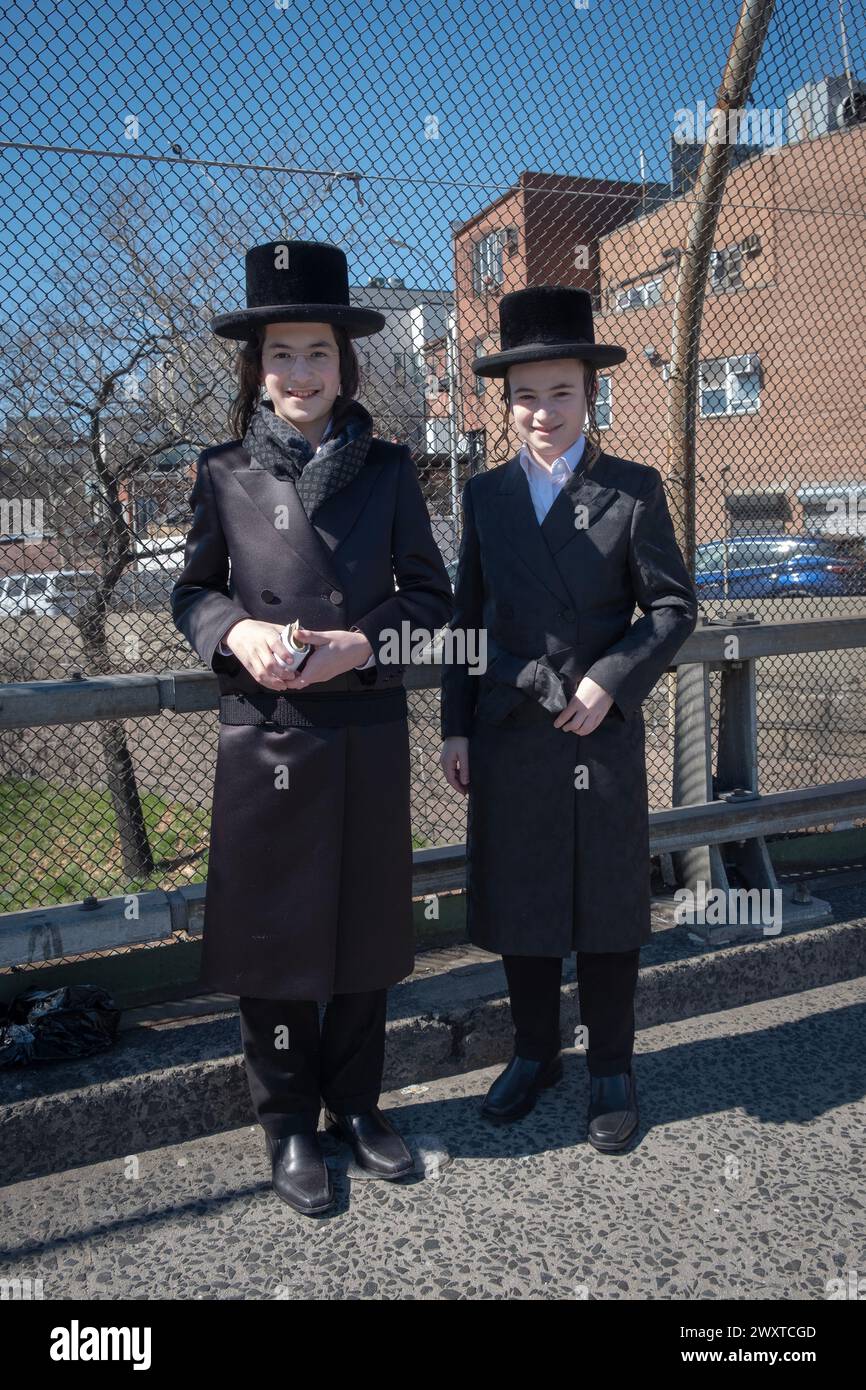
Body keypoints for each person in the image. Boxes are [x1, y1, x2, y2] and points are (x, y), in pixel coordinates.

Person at [171, 239, 452, 1213]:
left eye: (317, 352)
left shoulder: (388, 469)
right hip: (268, 734)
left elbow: (430, 598)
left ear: (346, 363)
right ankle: (288, 1123)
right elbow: (192, 592)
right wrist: (239, 631)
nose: (299, 372)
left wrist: (359, 647)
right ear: (257, 365)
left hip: (367, 734)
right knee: (276, 939)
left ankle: (357, 1106)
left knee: (367, 933)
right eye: (281, 352)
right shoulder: (219, 472)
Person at [439, 285, 698, 1151]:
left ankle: (613, 1064)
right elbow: (464, 624)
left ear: (591, 393)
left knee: (607, 902)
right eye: (525, 395)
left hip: (600, 729)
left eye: (560, 392)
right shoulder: (485, 497)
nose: (542, 411)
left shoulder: (632, 489)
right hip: (511, 728)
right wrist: (456, 727)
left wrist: (610, 681)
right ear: (504, 402)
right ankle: (536, 1051)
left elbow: (671, 609)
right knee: (523, 898)